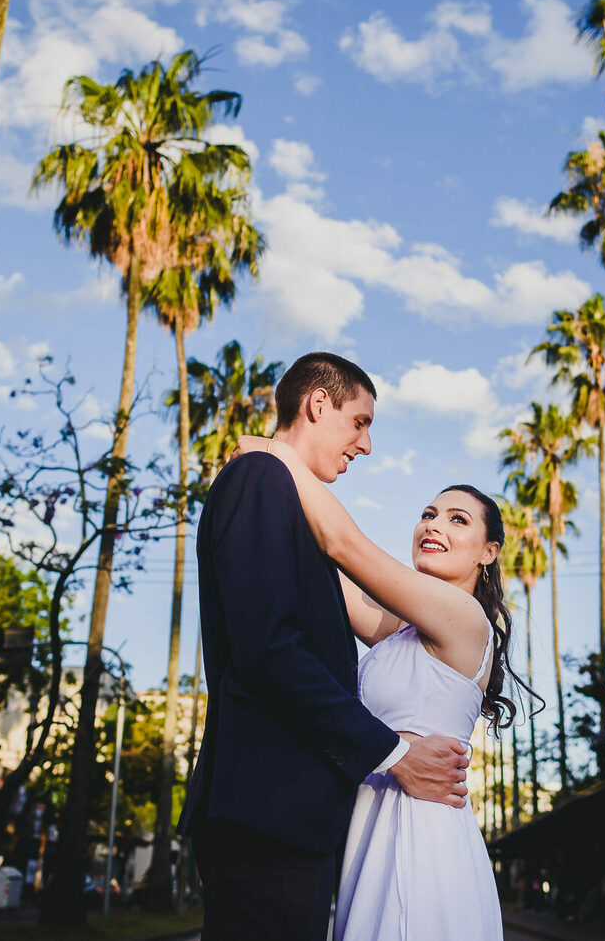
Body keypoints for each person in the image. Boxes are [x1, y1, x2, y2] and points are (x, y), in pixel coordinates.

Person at [178, 352, 471, 941]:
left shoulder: (284, 498)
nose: (366, 446)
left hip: (291, 818)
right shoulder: (259, 479)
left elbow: (347, 573)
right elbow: (269, 651)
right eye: (360, 422)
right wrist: (394, 754)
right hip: (269, 811)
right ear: (318, 404)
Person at [236, 430, 537, 941]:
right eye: (428, 515)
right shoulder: (397, 629)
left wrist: (276, 453)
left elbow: (342, 544)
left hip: (419, 835)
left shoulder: (464, 616)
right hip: (370, 829)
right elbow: (325, 567)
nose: (433, 526)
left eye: (456, 520)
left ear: (488, 552)